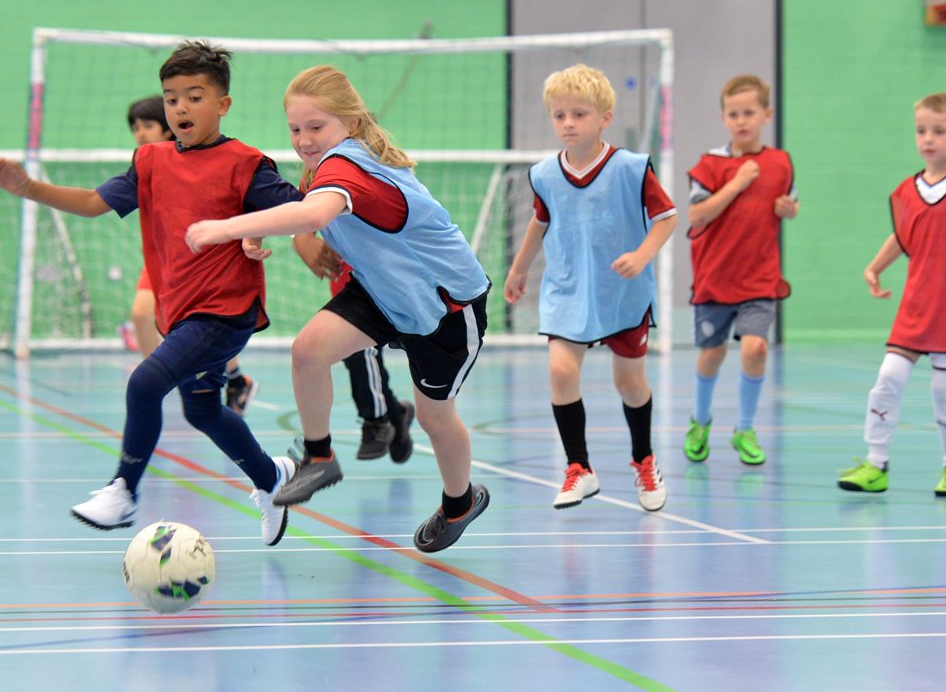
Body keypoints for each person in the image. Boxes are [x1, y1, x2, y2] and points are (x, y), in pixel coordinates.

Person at [0, 41, 302, 546]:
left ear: (223, 104)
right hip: (178, 312)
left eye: (195, 97)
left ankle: (123, 492)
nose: (180, 107)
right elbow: (94, 202)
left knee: (144, 384)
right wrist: (29, 187)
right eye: (172, 98)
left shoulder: (246, 164)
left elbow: (303, 210)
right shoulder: (151, 161)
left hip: (225, 313)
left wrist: (256, 228)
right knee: (201, 410)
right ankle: (271, 480)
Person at [185, 64, 491, 553]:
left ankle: (461, 502)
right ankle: (319, 457)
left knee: (436, 419)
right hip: (381, 291)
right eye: (295, 129)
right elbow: (303, 201)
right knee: (308, 352)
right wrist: (258, 226)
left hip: (443, 303)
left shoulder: (351, 165)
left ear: (349, 122)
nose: (304, 140)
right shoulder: (324, 163)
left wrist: (226, 228)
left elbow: (315, 212)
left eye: (315, 127)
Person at [503, 63, 677, 512]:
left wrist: (642, 255)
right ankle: (579, 467)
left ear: (604, 117)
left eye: (579, 114)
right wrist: (519, 268)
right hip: (567, 289)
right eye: (559, 115)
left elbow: (667, 218)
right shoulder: (544, 174)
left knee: (630, 382)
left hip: (622, 293)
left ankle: (643, 458)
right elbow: (541, 221)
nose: (567, 124)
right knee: (561, 372)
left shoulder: (630, 168)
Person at [838, 93, 946, 497]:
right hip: (917, 304)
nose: (928, 138)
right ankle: (876, 463)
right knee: (887, 379)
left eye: (939, 130)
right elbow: (903, 237)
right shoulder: (909, 189)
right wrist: (874, 267)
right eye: (921, 130)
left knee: (943, 388)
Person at [683, 74, 798, 467]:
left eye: (749, 112)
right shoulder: (710, 165)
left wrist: (790, 210)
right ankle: (700, 421)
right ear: (724, 118)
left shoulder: (781, 162)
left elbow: (788, 202)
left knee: (756, 348)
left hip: (759, 278)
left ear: (766, 114)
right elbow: (697, 215)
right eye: (734, 114)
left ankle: (745, 428)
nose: (742, 120)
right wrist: (736, 183)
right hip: (715, 279)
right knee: (712, 355)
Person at [120, 95, 260, 417]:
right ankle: (160, 377)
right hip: (165, 257)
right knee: (143, 314)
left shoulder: (198, 158)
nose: (140, 132)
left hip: (199, 257)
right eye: (134, 127)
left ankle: (233, 379)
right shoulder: (145, 161)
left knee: (203, 323)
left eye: (147, 125)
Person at [293, 233, 416, 462]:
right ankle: (396, 415)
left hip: (378, 273)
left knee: (362, 353)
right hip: (345, 275)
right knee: (357, 357)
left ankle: (376, 420)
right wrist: (300, 235)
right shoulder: (318, 204)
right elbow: (296, 204)